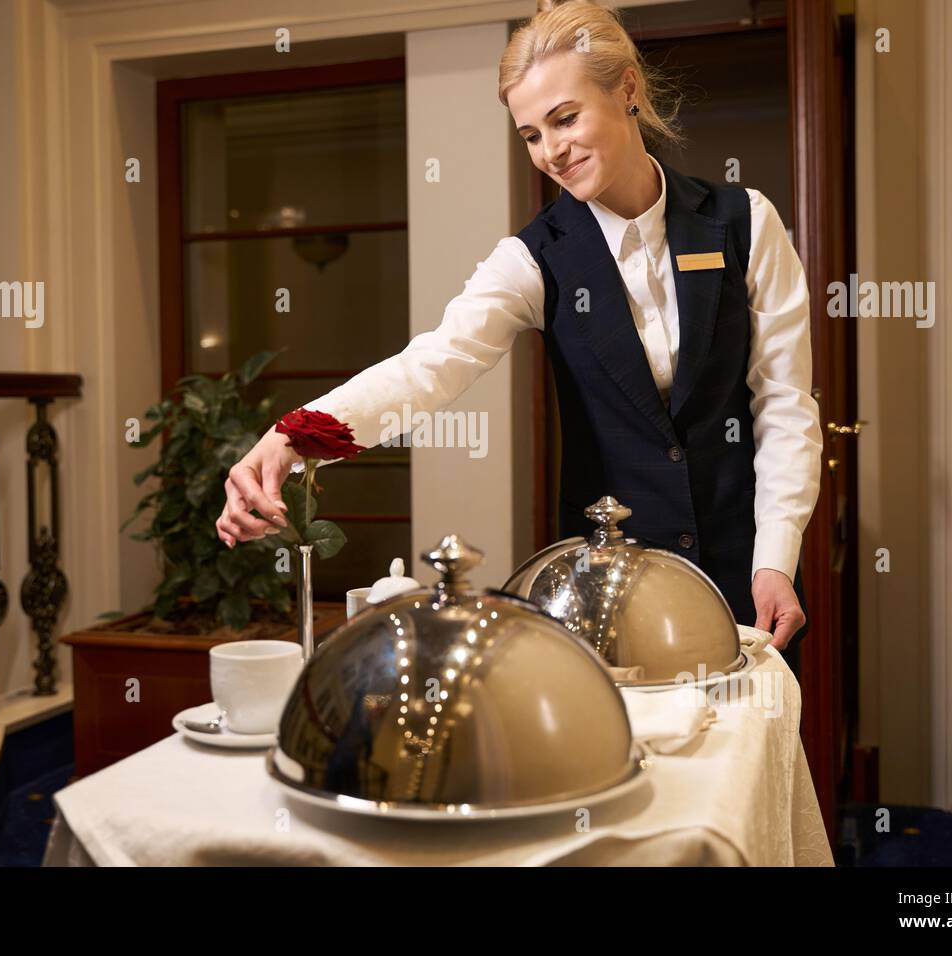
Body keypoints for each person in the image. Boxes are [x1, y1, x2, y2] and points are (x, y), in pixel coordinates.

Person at [215, 0, 822, 678]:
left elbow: (784, 402)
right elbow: (432, 367)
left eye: (564, 119)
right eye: (532, 135)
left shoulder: (743, 222)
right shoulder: (534, 258)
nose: (552, 151)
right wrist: (293, 437)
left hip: (747, 571)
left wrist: (776, 559)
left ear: (626, 90)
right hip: (608, 588)